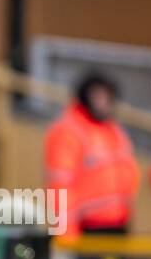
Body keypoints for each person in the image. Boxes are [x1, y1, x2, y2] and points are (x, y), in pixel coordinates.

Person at [44, 73, 139, 238]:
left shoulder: (114, 132)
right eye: (97, 96)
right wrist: (66, 234)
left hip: (118, 226)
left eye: (107, 97)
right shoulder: (69, 132)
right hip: (86, 230)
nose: (103, 103)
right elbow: (60, 187)